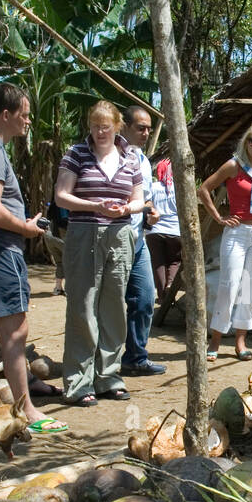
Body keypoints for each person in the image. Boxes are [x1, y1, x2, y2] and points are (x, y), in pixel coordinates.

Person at [0, 82, 68, 434]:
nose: (28, 121)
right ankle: (28, 412)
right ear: (5, 115)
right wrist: (23, 227)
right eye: (24, 115)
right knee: (14, 331)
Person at [55, 100, 146, 406]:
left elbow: (139, 200)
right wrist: (94, 205)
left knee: (114, 307)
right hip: (85, 233)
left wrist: (126, 208)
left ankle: (108, 375)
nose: (99, 131)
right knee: (82, 306)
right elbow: (62, 197)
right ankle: (79, 382)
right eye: (94, 125)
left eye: (105, 126)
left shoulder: (130, 157)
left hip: (120, 235)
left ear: (117, 126)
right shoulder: (76, 153)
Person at [199, 125, 252, 362]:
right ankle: (215, 339)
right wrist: (218, 217)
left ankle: (240, 341)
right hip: (236, 231)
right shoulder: (233, 166)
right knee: (229, 284)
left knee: (251, 286)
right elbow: (204, 188)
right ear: (245, 142)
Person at [119, 106, 166, 377]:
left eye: (149, 128)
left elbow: (144, 199)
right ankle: (106, 362)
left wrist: (151, 211)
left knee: (146, 298)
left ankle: (136, 357)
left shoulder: (145, 161)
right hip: (117, 239)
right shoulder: (114, 156)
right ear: (123, 126)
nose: (147, 133)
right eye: (141, 128)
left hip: (139, 239)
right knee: (111, 304)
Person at [147, 157, 182, 300]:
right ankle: (170, 286)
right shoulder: (179, 188)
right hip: (175, 231)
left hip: (154, 231)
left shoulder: (153, 187)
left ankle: (161, 296)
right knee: (175, 261)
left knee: (158, 263)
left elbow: (147, 205)